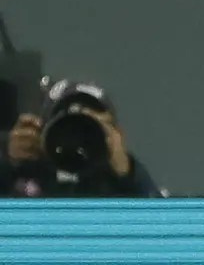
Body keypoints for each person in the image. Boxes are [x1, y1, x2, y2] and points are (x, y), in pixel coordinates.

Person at [0, 80, 163, 197]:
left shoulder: (121, 187)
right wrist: (7, 162)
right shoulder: (23, 176)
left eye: (88, 127)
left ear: (115, 136)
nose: (75, 136)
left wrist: (128, 173)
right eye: (66, 125)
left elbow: (162, 226)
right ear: (42, 129)